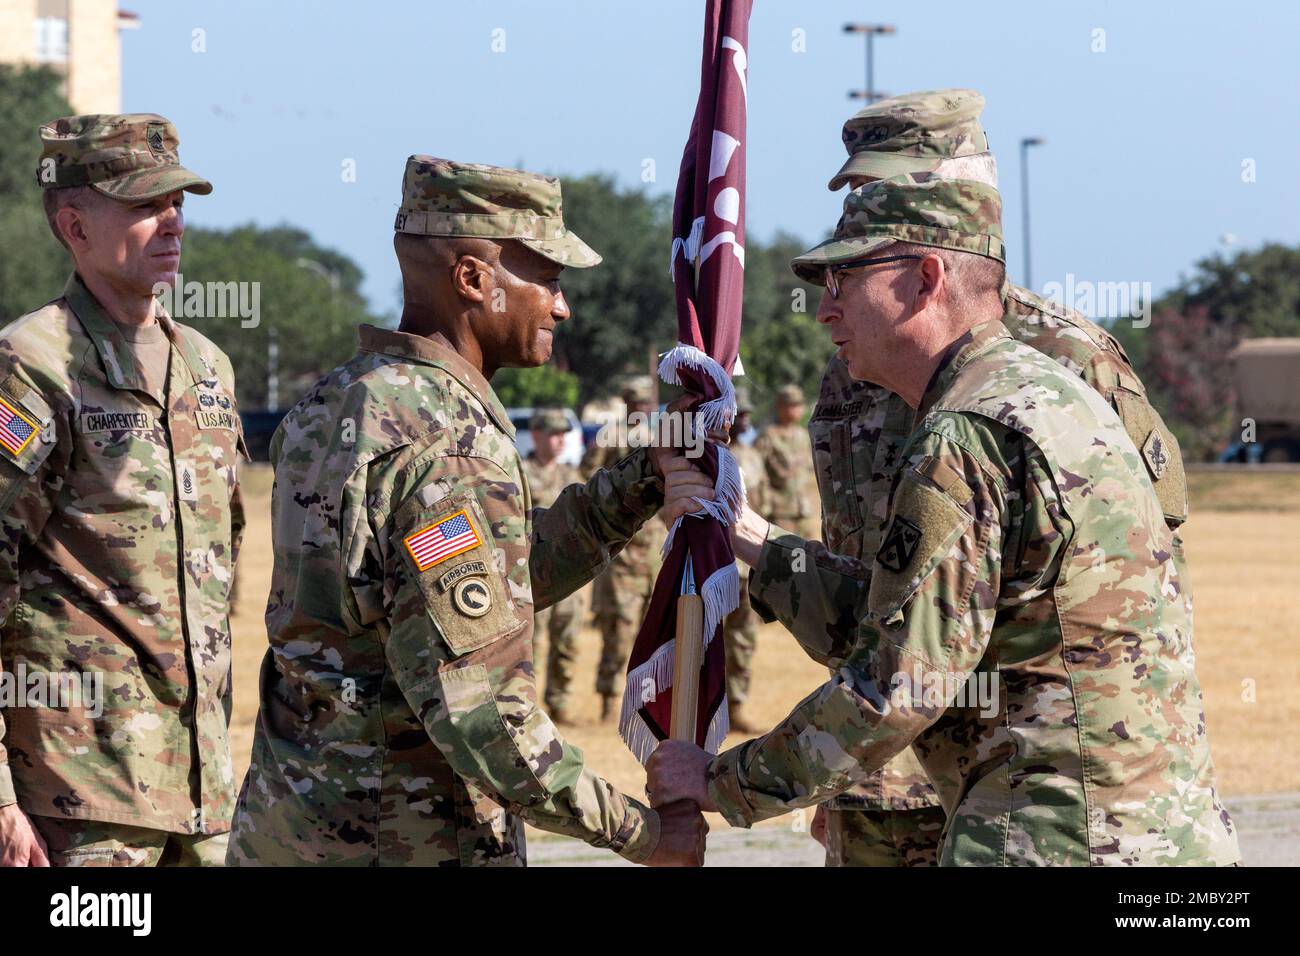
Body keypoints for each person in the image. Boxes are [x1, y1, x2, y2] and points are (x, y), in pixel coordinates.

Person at [648, 176, 1240, 866]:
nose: (824, 310)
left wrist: (719, 780)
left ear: (926, 278)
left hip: (1048, 841)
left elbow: (896, 686)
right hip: (1157, 836)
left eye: (844, 279)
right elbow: (931, 623)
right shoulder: (1042, 392)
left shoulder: (965, 434)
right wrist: (749, 534)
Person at [227, 156, 706, 866]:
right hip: (405, 837)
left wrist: (640, 480)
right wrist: (639, 832)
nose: (562, 306)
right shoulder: (449, 443)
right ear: (475, 280)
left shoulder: (337, 401)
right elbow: (479, 707)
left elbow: (480, 589)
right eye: (546, 279)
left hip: (291, 826)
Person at [809, 88, 1191, 867]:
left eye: (892, 189)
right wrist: (841, 771)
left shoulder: (1065, 356)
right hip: (883, 761)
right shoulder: (854, 373)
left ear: (966, 190)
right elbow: (862, 571)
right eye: (860, 192)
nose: (869, 208)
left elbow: (1138, 573)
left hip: (1027, 770)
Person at [0, 114, 243, 867]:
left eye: (178, 200)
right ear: (73, 224)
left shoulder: (208, 367)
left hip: (199, 797)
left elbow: (220, 569)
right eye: (144, 203)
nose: (171, 218)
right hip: (76, 802)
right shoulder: (32, 365)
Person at [581, 378, 666, 721]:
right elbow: (589, 476)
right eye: (638, 403)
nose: (644, 409)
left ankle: (645, 703)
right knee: (618, 632)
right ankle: (607, 700)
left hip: (655, 551)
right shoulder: (611, 435)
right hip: (622, 551)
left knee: (654, 632)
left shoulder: (662, 436)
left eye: (648, 403)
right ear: (628, 404)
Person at [522, 408, 587, 725]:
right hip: (530, 576)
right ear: (536, 435)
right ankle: (526, 707)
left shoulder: (571, 477)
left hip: (568, 576)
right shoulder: (518, 472)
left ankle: (559, 703)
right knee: (530, 647)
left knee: (568, 642)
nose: (560, 439)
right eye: (553, 433)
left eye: (564, 433)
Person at [721, 386, 765, 732]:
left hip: (746, 565)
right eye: (740, 413)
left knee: (742, 640)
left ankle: (736, 706)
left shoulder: (753, 456)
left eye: (748, 414)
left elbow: (765, 509)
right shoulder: (704, 454)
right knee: (701, 641)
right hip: (711, 565)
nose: (745, 420)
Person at [754, 385, 817, 541]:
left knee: (808, 557)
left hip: (804, 509)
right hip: (779, 510)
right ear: (780, 407)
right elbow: (757, 471)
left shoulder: (803, 435)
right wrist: (765, 502)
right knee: (784, 556)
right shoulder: (769, 435)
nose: (797, 409)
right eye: (792, 405)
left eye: (799, 405)